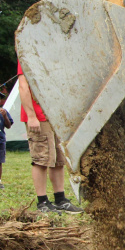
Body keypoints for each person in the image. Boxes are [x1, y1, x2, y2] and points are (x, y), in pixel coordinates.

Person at [16, 63, 83, 213]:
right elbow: (23, 86)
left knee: (59, 160)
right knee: (41, 159)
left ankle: (60, 199)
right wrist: (32, 116)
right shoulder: (26, 55)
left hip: (56, 116)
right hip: (39, 117)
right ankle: (42, 202)